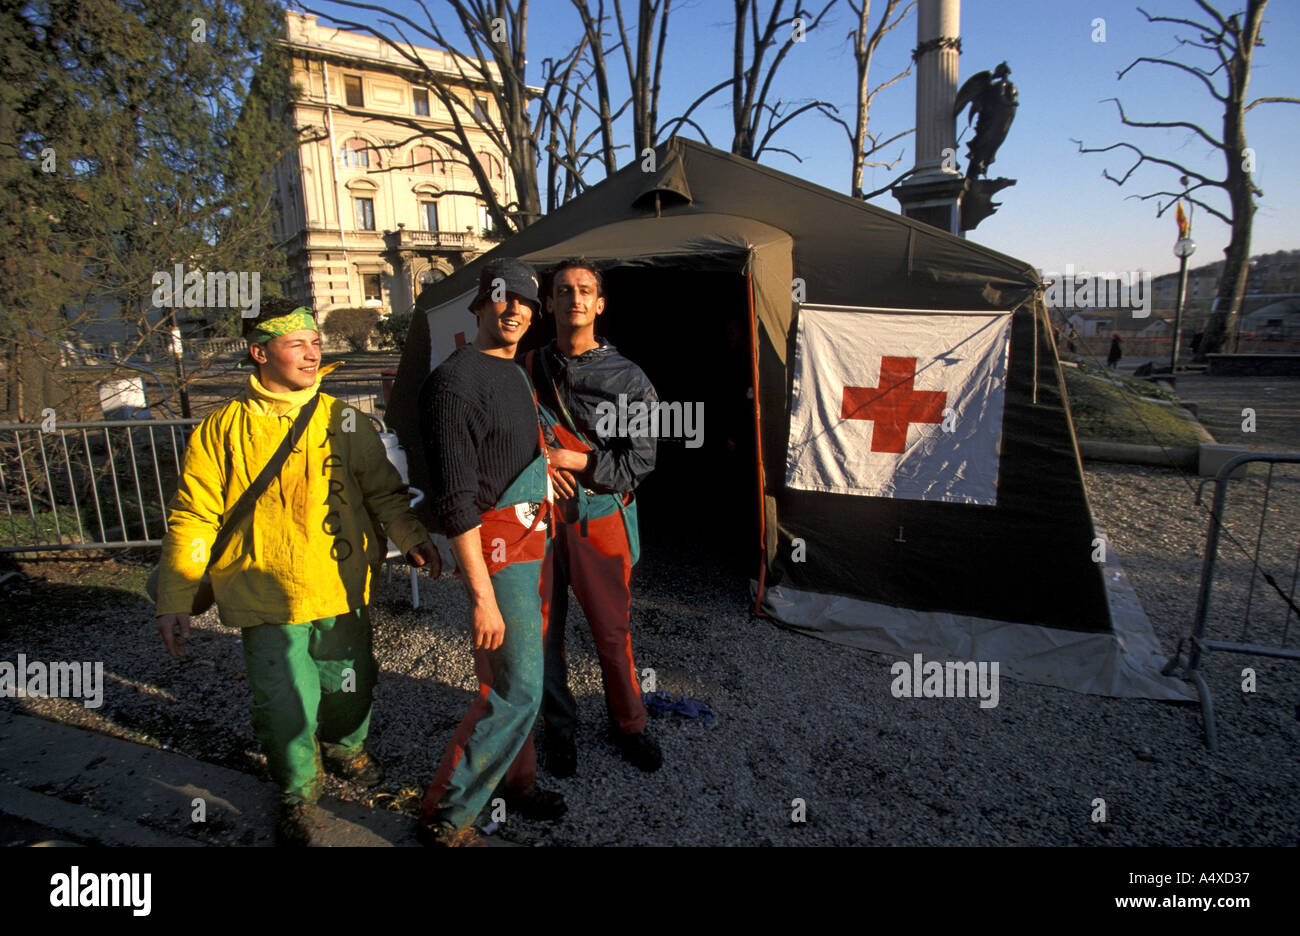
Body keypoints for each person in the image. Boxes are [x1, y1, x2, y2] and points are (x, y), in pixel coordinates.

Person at [154, 299, 438, 846]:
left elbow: (382, 490)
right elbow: (194, 516)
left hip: (339, 584)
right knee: (283, 703)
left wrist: (412, 536)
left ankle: (345, 748)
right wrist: (175, 596)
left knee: (349, 687)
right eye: (296, 344)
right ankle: (295, 791)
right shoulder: (222, 430)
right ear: (260, 353)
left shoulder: (344, 417)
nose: (312, 354)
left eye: (314, 342)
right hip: (262, 592)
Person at [416, 257, 565, 847]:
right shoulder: (454, 383)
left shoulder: (517, 373)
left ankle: (517, 784)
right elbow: (455, 502)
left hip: (536, 542)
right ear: (479, 305)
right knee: (517, 688)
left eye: (526, 302)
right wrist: (482, 597)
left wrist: (546, 465)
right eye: (502, 299)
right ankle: (446, 816)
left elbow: (512, 452)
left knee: (520, 680)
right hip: (497, 554)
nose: (514, 310)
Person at [525, 258, 662, 778]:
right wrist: (540, 456)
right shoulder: (530, 367)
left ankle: (630, 723)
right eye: (564, 291)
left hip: (600, 513)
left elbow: (640, 462)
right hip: (539, 514)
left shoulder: (629, 378)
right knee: (542, 631)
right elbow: (512, 429)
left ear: (599, 304)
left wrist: (577, 460)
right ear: (550, 303)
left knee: (610, 631)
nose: (575, 299)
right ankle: (559, 726)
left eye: (585, 290)